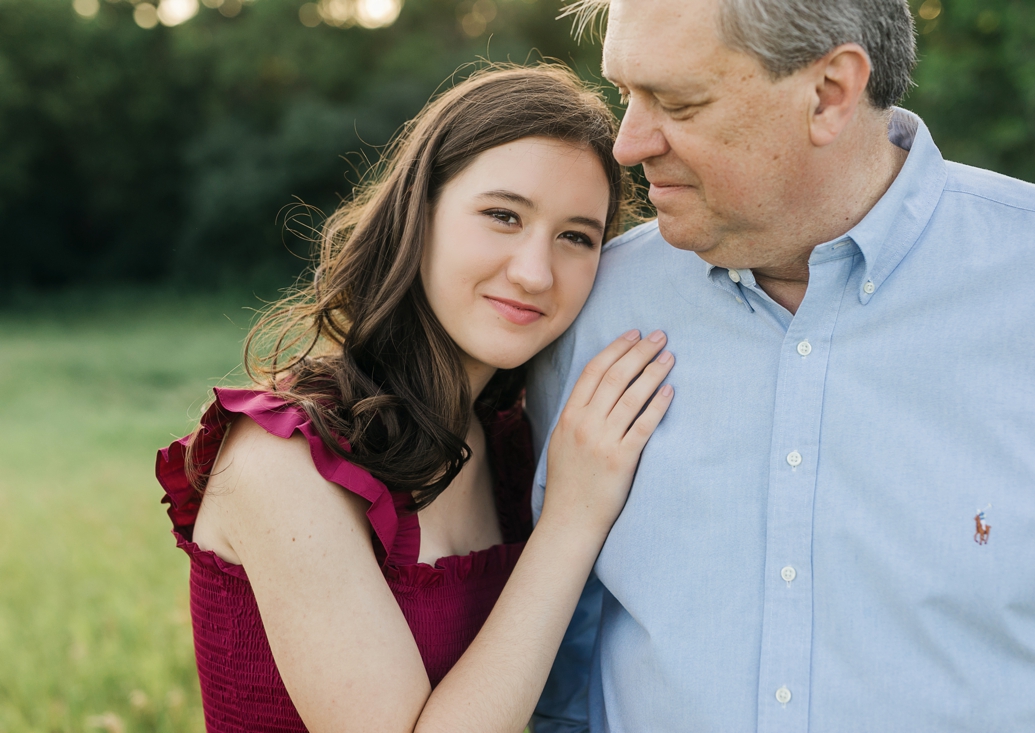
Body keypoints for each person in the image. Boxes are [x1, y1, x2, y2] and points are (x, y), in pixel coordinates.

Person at [528, 1, 1035, 732]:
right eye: (625, 95)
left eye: (678, 102)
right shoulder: (582, 303)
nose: (628, 143)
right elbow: (561, 676)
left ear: (831, 92)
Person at [155, 64, 677, 733]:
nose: (534, 271)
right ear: (419, 212)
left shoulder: (513, 442)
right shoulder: (283, 458)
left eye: (577, 236)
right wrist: (572, 519)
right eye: (502, 215)